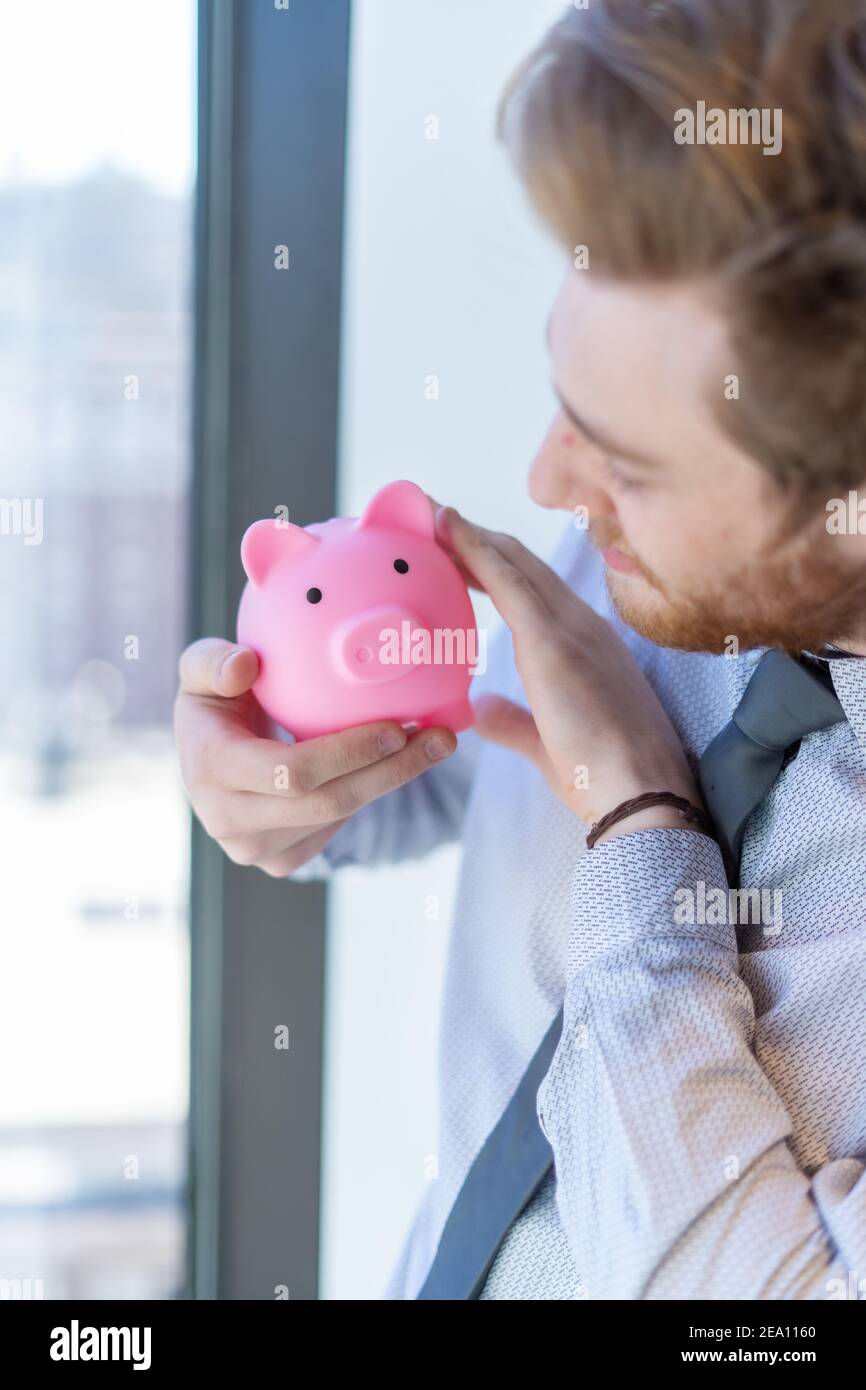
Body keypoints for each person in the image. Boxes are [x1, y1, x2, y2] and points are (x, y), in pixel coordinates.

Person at [174, 0, 866, 1299]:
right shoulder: (647, 554)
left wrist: (646, 828)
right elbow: (481, 773)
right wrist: (287, 774)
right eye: (566, 396)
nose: (546, 478)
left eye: (627, 463)